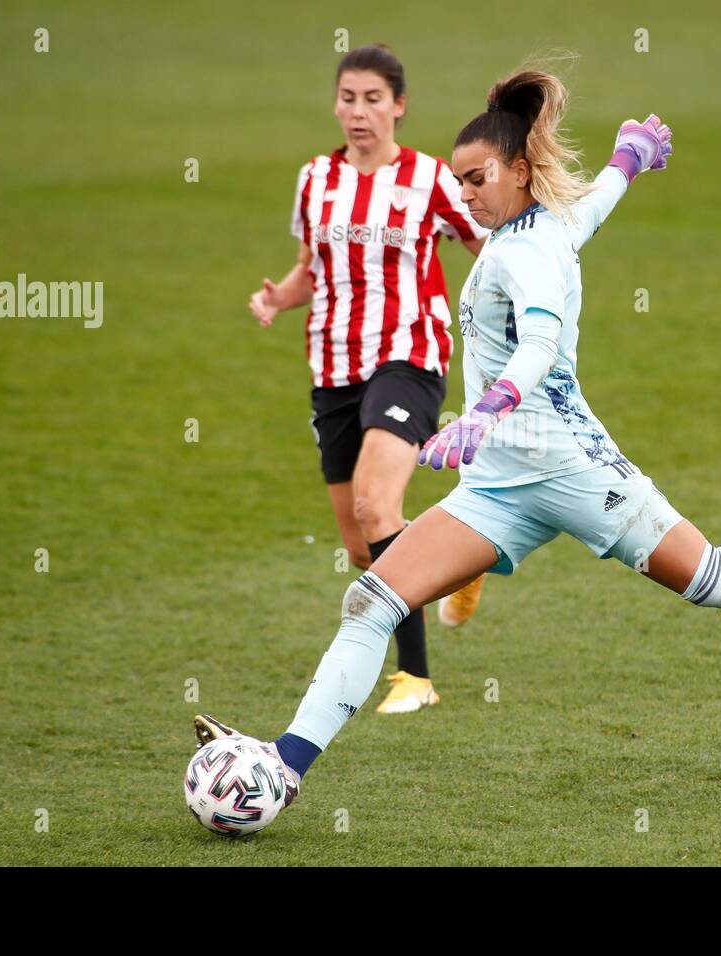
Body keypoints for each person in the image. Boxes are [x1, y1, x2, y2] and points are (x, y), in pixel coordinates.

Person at [204, 69, 721, 813]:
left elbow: (539, 343)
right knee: (371, 601)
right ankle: (285, 767)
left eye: (476, 180)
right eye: (459, 183)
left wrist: (484, 412)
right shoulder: (541, 226)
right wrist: (630, 157)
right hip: (496, 487)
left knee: (718, 582)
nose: (465, 196)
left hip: (572, 470)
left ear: (519, 171)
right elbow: (591, 209)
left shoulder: (525, 252)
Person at [248, 44, 490, 715]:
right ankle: (461, 562)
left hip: (407, 357)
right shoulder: (315, 179)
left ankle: (415, 676)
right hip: (332, 368)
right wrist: (277, 298)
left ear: (399, 107)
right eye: (348, 98)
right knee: (363, 546)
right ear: (336, 104)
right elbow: (310, 266)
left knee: (376, 508)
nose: (359, 112)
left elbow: (487, 246)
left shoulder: (433, 179)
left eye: (373, 99)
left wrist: (511, 307)